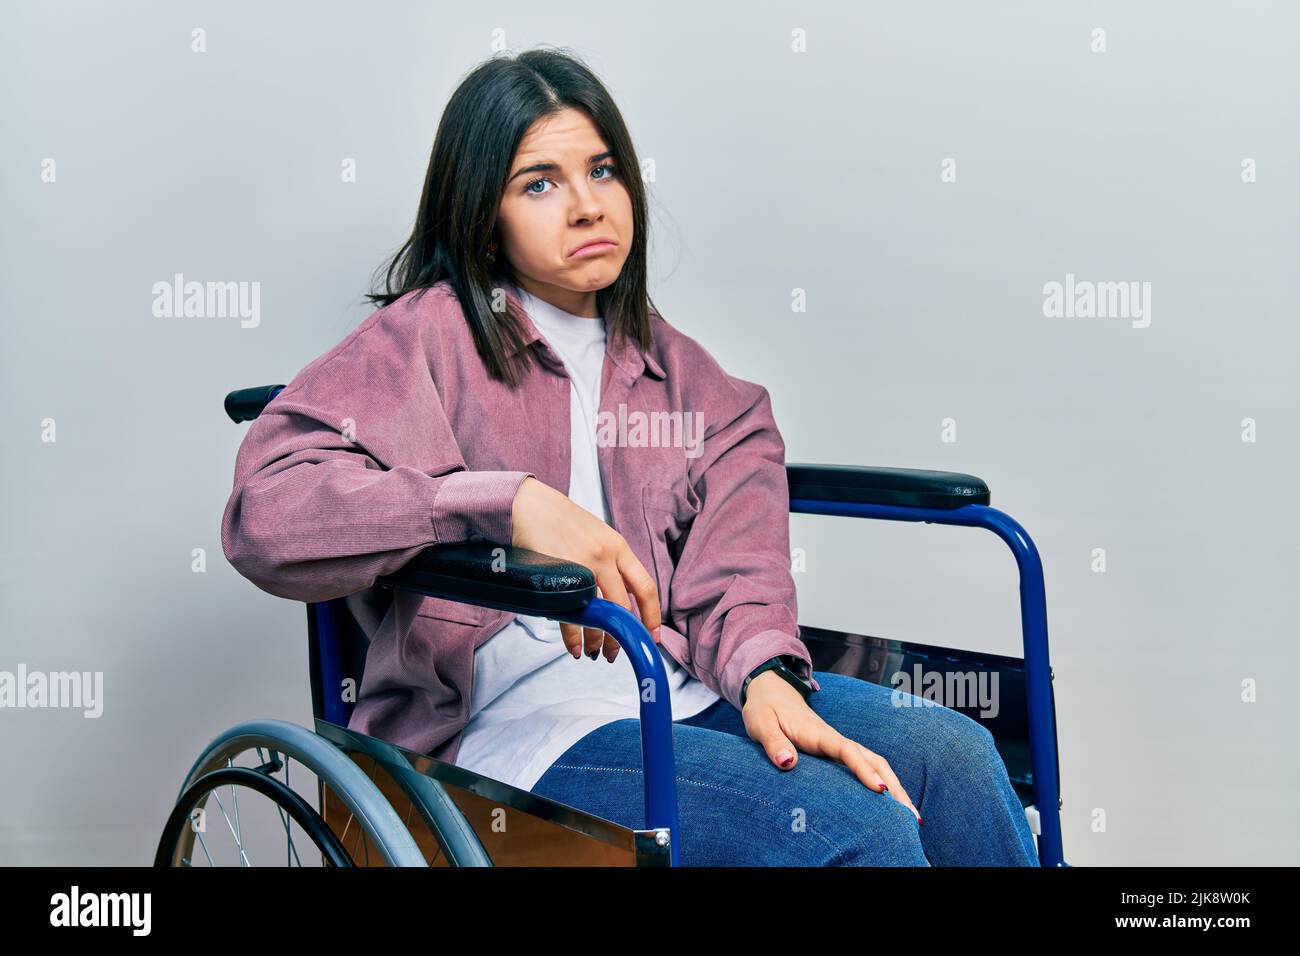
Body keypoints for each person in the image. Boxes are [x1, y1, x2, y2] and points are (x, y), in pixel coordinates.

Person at [221, 46, 1039, 866]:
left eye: (603, 171)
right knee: (853, 828)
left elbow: (740, 576)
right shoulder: (422, 342)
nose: (585, 206)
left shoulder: (704, 391)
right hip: (505, 729)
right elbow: (265, 515)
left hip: (679, 684)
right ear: (481, 212)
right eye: (538, 183)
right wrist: (509, 503)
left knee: (961, 760)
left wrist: (763, 677)